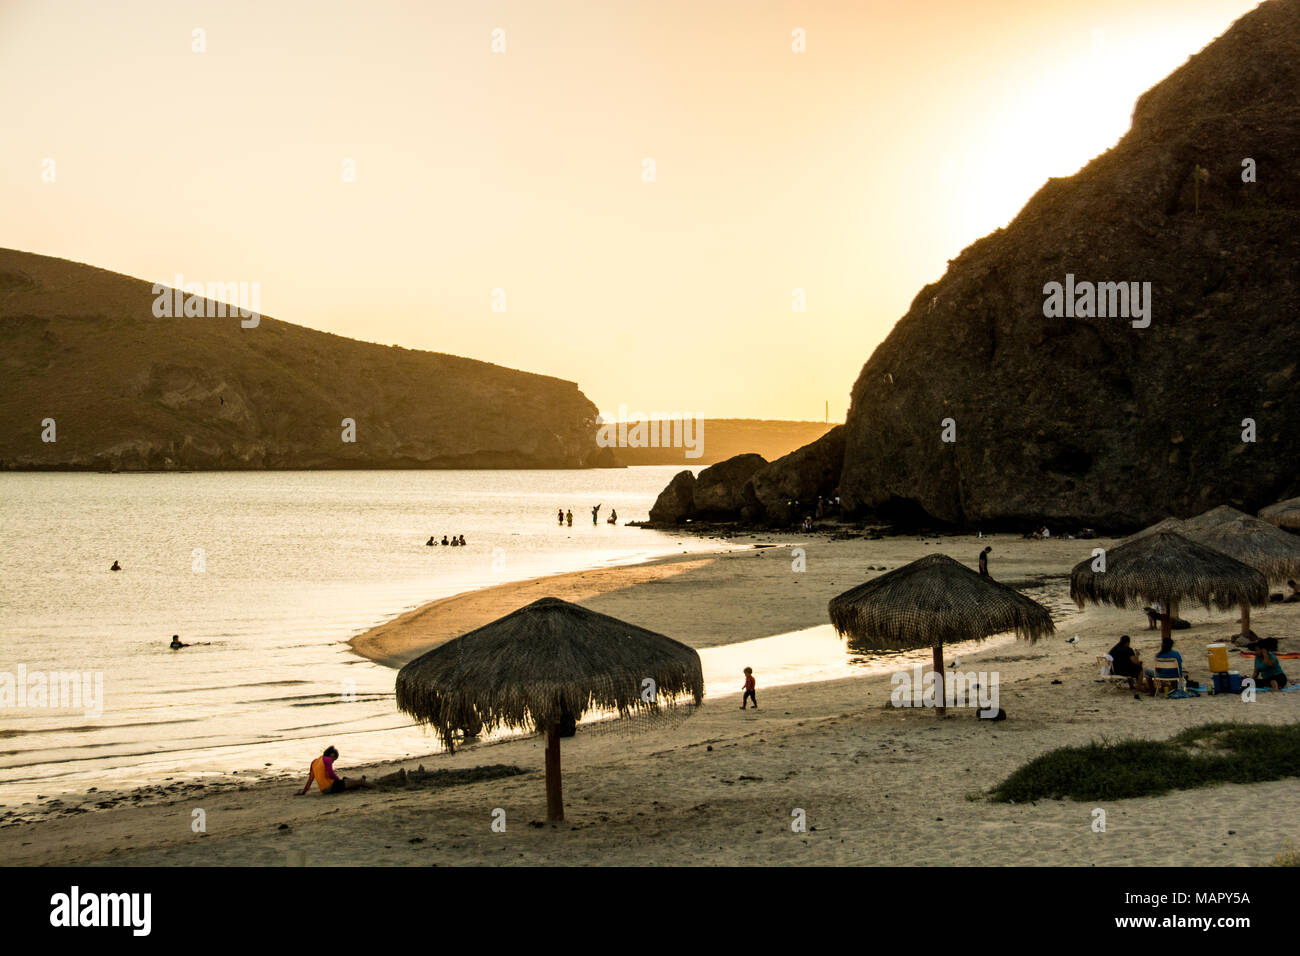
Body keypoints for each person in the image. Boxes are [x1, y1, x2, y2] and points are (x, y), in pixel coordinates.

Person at [297, 746, 372, 795]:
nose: (332, 762)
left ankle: (356, 783)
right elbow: (331, 774)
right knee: (360, 782)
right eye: (334, 760)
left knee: (345, 779)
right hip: (331, 786)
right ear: (332, 755)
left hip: (324, 790)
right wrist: (337, 779)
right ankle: (375, 786)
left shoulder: (314, 762)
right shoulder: (327, 759)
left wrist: (304, 791)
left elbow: (310, 779)